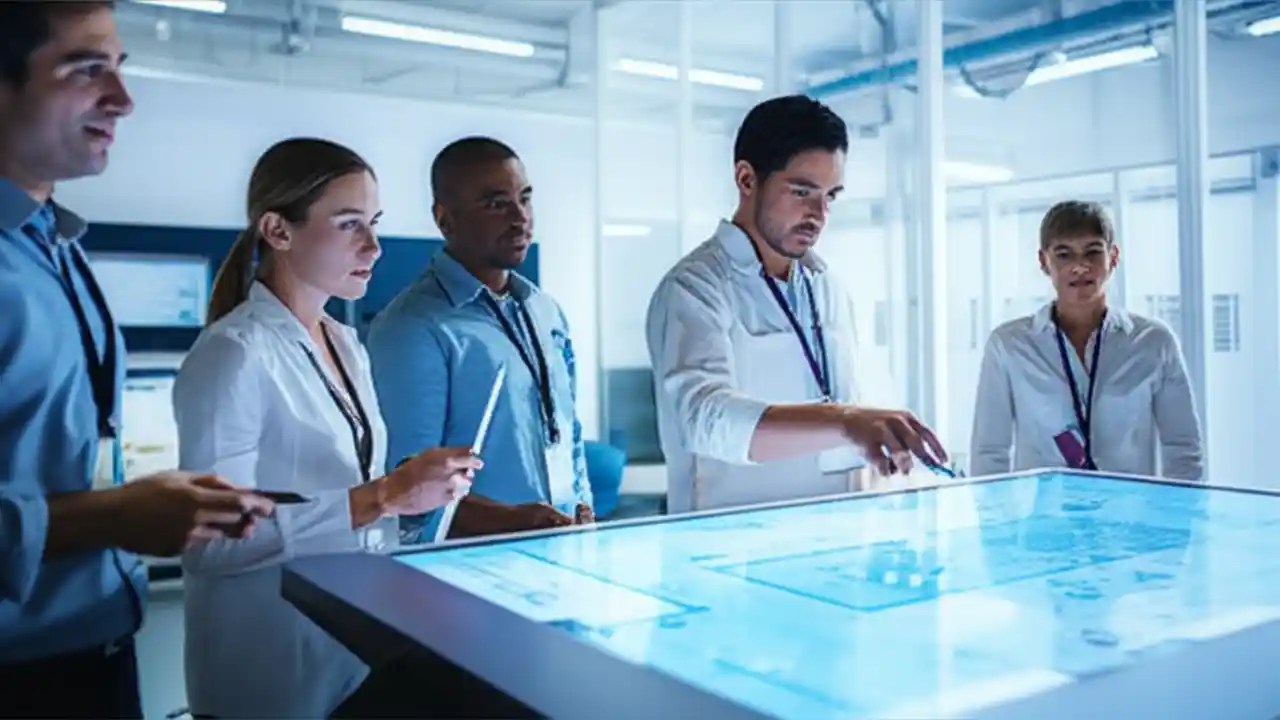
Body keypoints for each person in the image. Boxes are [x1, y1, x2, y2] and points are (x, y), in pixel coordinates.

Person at [0, 3, 276, 718]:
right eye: (87, 69)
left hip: (94, 658)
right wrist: (113, 516)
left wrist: (138, 505)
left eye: (120, 69)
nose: (124, 100)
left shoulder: (54, 247)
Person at [172, 138, 480, 719]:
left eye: (374, 223)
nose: (374, 246)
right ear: (277, 230)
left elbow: (351, 497)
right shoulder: (233, 353)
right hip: (269, 677)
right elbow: (207, 545)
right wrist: (379, 497)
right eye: (349, 225)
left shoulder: (345, 344)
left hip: (353, 660)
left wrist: (414, 498)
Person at [645, 95, 948, 514]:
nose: (819, 214)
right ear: (747, 179)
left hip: (832, 543)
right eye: (802, 191)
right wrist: (844, 421)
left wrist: (876, 446)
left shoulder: (828, 288)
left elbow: (842, 411)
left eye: (830, 196)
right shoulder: (693, 288)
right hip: (729, 554)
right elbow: (703, 419)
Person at [368, 136, 593, 542]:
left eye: (524, 198)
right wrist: (515, 522)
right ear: (444, 219)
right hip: (469, 571)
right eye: (495, 204)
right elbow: (405, 487)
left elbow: (568, 435)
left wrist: (581, 510)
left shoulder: (544, 311)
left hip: (563, 553)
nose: (520, 217)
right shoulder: (412, 326)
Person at [969, 200, 1203, 481]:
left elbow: (1182, 448)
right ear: (1044, 262)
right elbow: (989, 452)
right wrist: (997, 523)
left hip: (1129, 520)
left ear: (1113, 257)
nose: (1080, 266)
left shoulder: (1154, 342)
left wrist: (1175, 521)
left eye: (1092, 252)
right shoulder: (1008, 345)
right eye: (1064, 254)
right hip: (1042, 522)